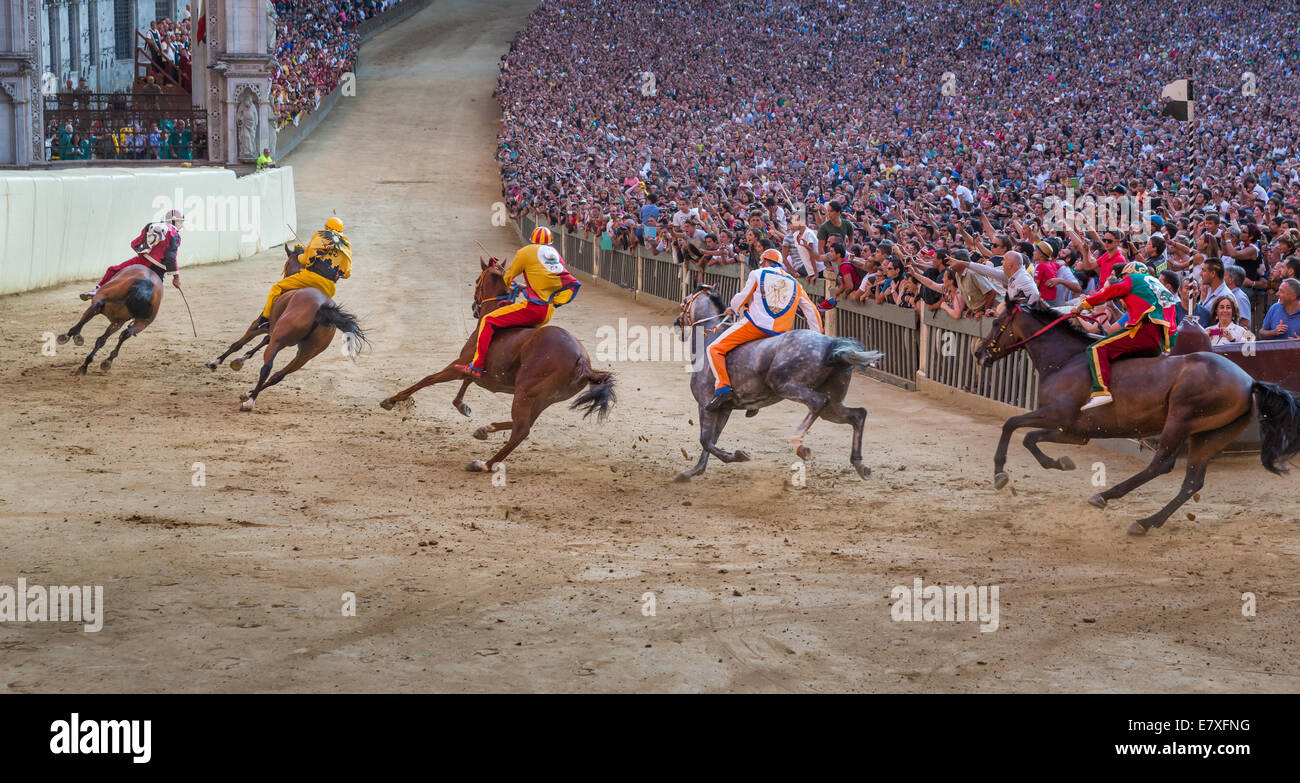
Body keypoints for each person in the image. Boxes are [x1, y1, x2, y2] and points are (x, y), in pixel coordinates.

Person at [706, 248, 823, 411]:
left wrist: (733, 308)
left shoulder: (757, 273)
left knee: (714, 349)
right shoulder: (796, 283)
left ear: (765, 262)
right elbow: (811, 310)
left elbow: (741, 298)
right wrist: (818, 337)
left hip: (754, 326)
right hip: (781, 334)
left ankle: (723, 387)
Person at [454, 226, 581, 377]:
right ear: (550, 242)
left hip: (533, 310)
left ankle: (477, 366)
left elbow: (507, 279)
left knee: (488, 320)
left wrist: (513, 283)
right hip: (548, 311)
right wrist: (526, 289)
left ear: (532, 240)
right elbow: (543, 284)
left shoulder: (525, 252)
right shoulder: (555, 255)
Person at [1072, 261, 1179, 411]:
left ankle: (1100, 391)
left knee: (1096, 348)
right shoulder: (1158, 287)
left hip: (1144, 332)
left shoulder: (1134, 278)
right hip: (1159, 341)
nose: (1124, 280)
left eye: (1124, 277)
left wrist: (1083, 304)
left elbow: (1111, 291)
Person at [254, 217, 352, 330]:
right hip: (330, 287)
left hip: (311, 278)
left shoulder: (321, 236)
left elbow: (305, 260)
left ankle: (265, 320)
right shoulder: (346, 246)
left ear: (327, 228)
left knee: (277, 287)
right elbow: (347, 274)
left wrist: (301, 255)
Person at [81, 209, 185, 299]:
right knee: (157, 295)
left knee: (113, 270)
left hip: (142, 261)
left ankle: (97, 290)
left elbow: (139, 243)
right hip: (159, 271)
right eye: (180, 222)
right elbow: (171, 257)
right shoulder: (174, 234)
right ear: (173, 220)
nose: (181, 225)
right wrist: (176, 277)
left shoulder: (153, 226)